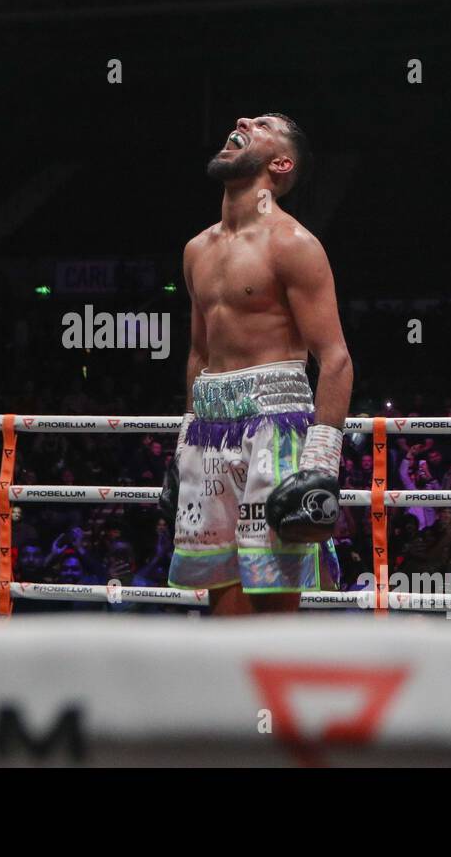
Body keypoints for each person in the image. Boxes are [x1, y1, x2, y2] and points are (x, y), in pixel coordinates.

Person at [160, 114, 353, 615]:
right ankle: (233, 696)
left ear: (280, 163)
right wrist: (184, 441)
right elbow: (200, 354)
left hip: (274, 426)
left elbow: (334, 358)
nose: (243, 119)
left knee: (272, 597)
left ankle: (279, 695)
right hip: (207, 429)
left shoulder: (292, 244)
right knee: (221, 595)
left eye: (263, 123)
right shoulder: (196, 249)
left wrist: (320, 466)